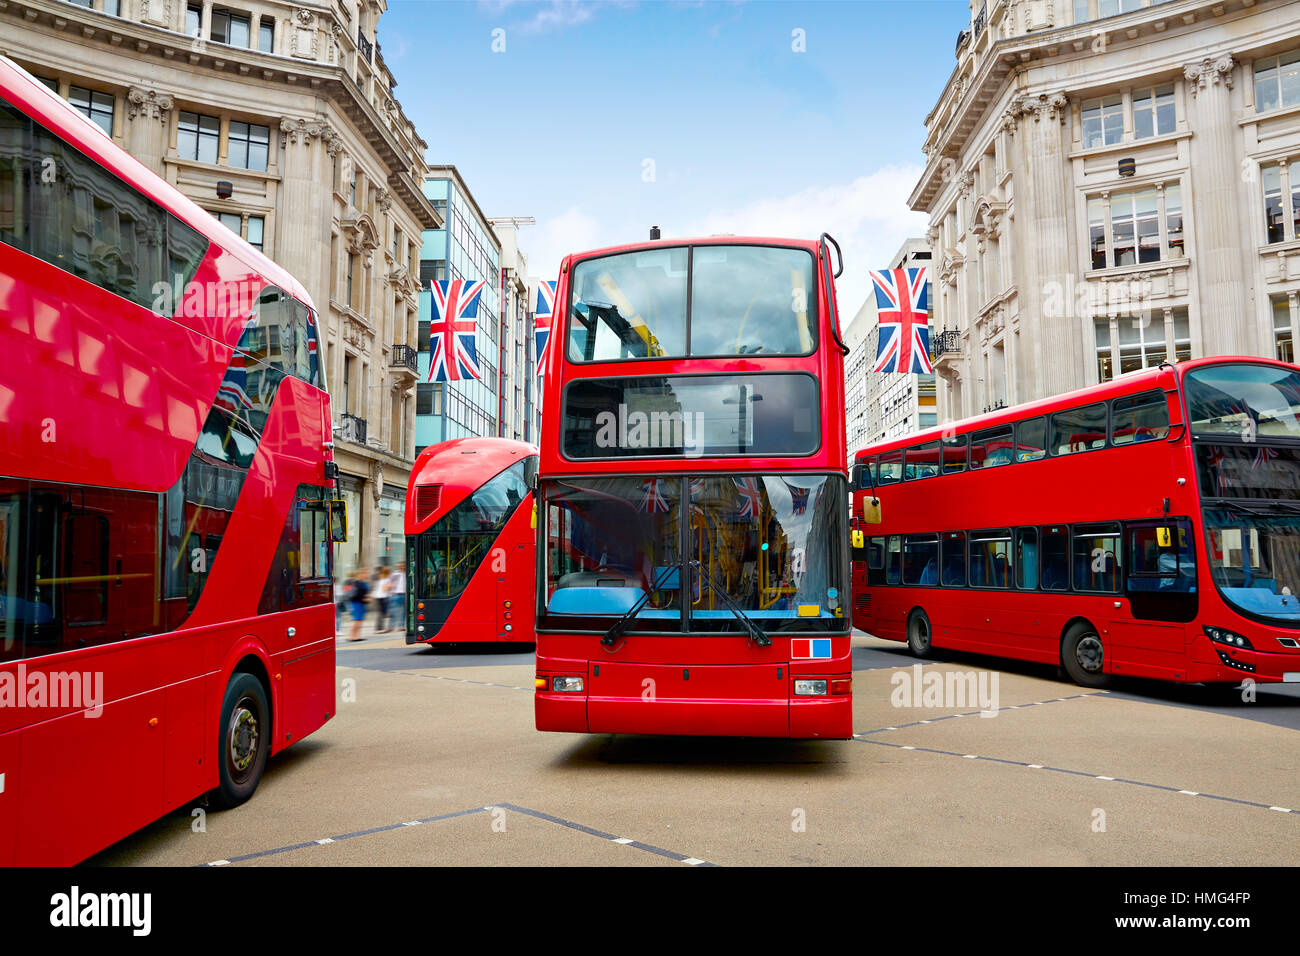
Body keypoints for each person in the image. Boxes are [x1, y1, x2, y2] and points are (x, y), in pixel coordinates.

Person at [347, 568, 370, 642]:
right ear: (360, 574)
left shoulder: (364, 583)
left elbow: (365, 593)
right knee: (356, 620)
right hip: (357, 603)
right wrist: (365, 599)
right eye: (365, 573)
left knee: (360, 620)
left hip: (361, 603)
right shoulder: (357, 582)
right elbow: (358, 594)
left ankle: (357, 635)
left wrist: (367, 598)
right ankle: (351, 636)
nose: (366, 575)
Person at [387, 562, 407, 633]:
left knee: (404, 611)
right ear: (397, 567)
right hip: (396, 594)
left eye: (402, 566)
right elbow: (388, 584)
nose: (401, 567)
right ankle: (390, 626)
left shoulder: (407, 574)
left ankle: (401, 626)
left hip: (405, 594)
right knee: (393, 611)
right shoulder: (394, 574)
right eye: (400, 566)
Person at [372, 566, 392, 632]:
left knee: (381, 613)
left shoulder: (380, 578)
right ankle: (380, 628)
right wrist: (390, 586)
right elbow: (385, 589)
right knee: (382, 613)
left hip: (378, 597)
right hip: (382, 597)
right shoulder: (386, 579)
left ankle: (379, 627)